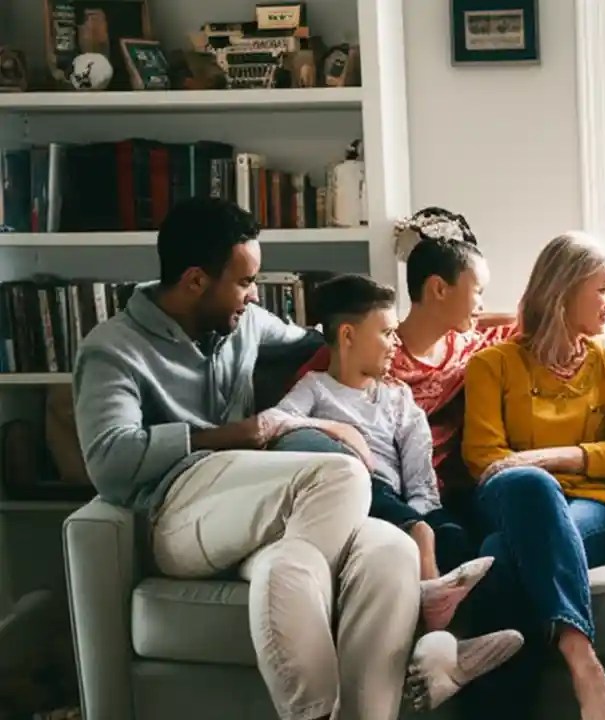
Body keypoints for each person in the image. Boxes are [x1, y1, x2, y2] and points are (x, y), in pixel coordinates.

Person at [73, 197, 419, 720]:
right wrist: (237, 432)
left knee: (392, 552)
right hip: (177, 508)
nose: (254, 295)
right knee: (341, 474)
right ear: (194, 280)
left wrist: (352, 397)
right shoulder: (113, 349)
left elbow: (324, 345)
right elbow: (110, 461)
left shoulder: (247, 324)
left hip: (260, 507)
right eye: (244, 282)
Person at [460, 231, 605, 720]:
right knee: (530, 486)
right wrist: (537, 471)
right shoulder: (492, 364)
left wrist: (540, 458)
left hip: (598, 507)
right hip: (513, 498)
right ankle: (581, 658)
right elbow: (485, 458)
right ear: (563, 290)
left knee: (499, 560)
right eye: (603, 288)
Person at [273, 274, 496, 630]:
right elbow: (273, 423)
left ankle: (444, 645)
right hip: (349, 496)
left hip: (397, 501)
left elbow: (420, 478)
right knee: (381, 496)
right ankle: (432, 614)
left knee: (452, 535)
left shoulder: (397, 398)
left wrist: (423, 515)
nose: (395, 344)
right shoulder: (315, 389)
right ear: (347, 336)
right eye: (386, 333)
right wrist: (337, 429)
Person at [293, 207, 517, 515]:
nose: (482, 304)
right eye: (478, 291)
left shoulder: (472, 347)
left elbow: (538, 318)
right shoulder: (368, 350)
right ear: (438, 289)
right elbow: (288, 416)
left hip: (445, 494)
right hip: (371, 484)